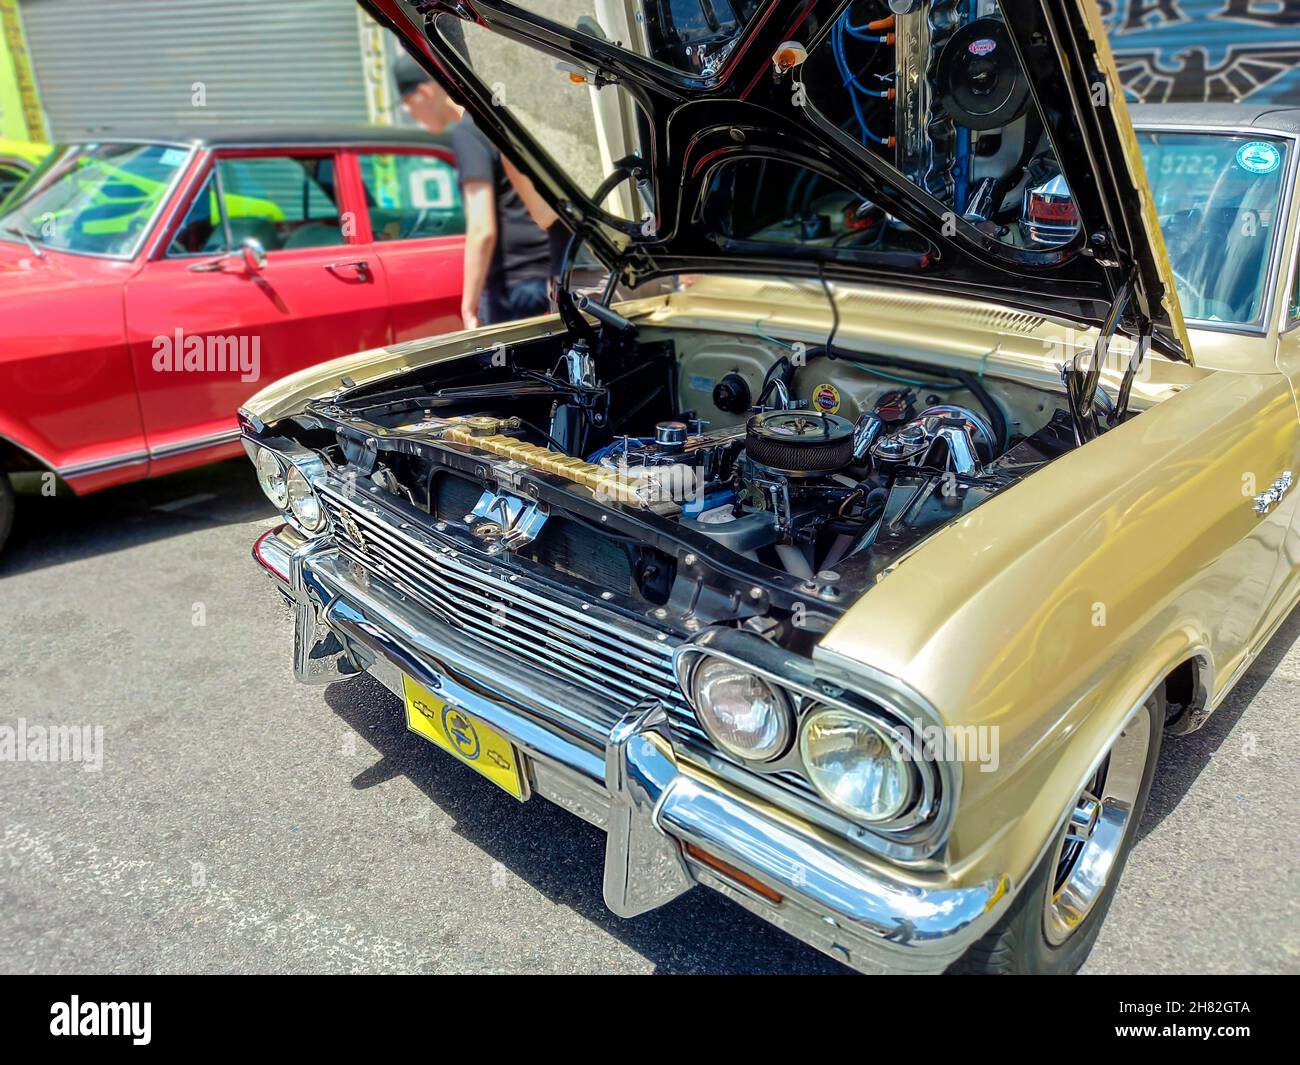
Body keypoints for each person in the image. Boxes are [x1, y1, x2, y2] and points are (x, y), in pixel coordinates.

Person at [394, 52, 551, 328]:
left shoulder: (468, 132)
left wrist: (468, 306)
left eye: (408, 103)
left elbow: (482, 229)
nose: (410, 113)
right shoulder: (495, 118)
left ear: (424, 92)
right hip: (544, 274)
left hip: (512, 288)